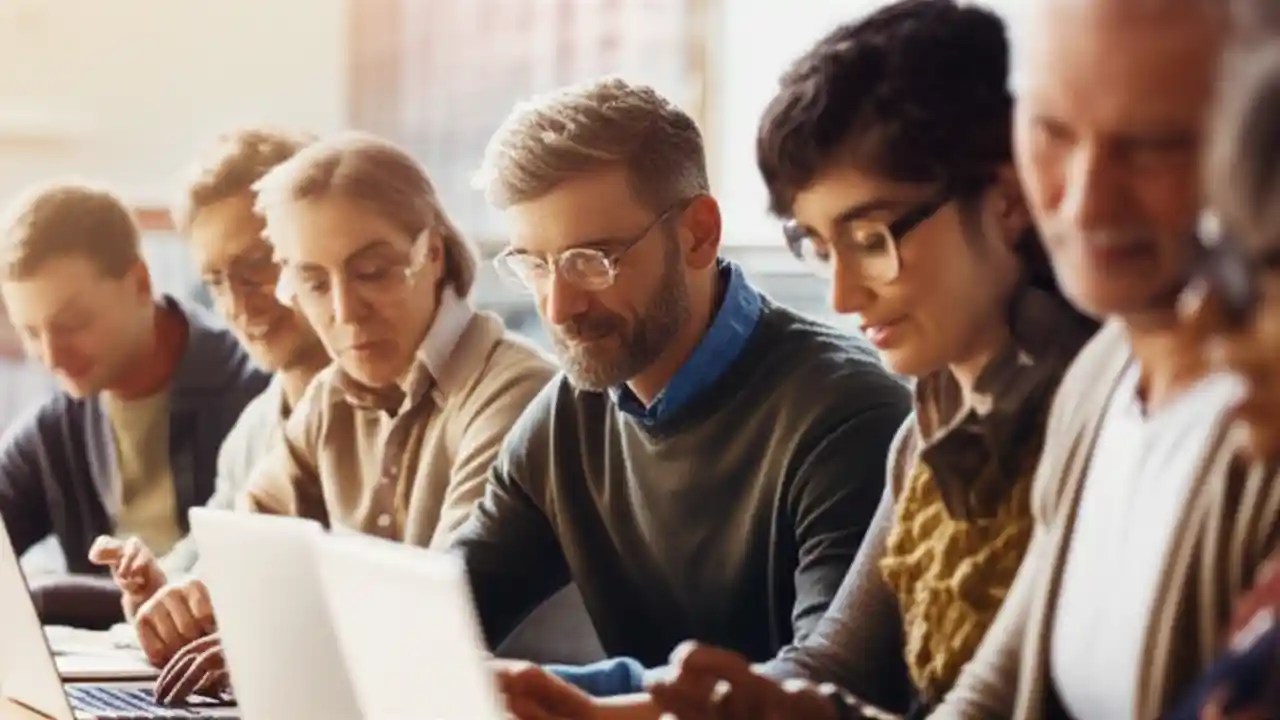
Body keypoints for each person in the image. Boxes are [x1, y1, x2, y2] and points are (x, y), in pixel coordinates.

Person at [494, 3, 1095, 718]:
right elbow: (838, 667)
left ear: (1006, 200)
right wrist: (602, 711)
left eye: (871, 239)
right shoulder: (932, 428)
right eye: (818, 246)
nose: (841, 293)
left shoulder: (1077, 419)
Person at [454, 75, 910, 701]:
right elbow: (444, 612)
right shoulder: (565, 420)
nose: (558, 306)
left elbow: (833, 683)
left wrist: (572, 700)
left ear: (698, 232)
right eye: (534, 264)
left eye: (593, 259)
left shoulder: (848, 414)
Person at [912, 0, 1277, 717]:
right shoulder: (1100, 370)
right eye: (1050, 131)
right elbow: (996, 690)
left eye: (1155, 147)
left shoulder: (1265, 427)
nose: (1083, 204)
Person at [153, 130, 558, 703]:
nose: (344, 311)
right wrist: (193, 598)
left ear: (433, 252)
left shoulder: (515, 393)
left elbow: (450, 611)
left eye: (372, 271)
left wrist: (277, 637)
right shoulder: (329, 400)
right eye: (314, 282)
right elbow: (248, 547)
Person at [87, 128, 332, 666]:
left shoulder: (387, 414)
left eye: (255, 269)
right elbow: (199, 565)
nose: (239, 305)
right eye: (217, 281)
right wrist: (156, 592)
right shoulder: (255, 428)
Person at [0, 181, 268, 629]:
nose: (50, 356)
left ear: (140, 282)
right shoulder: (55, 429)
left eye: (71, 323)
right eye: (31, 332)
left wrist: (50, 594)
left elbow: (247, 585)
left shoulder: (255, 393)